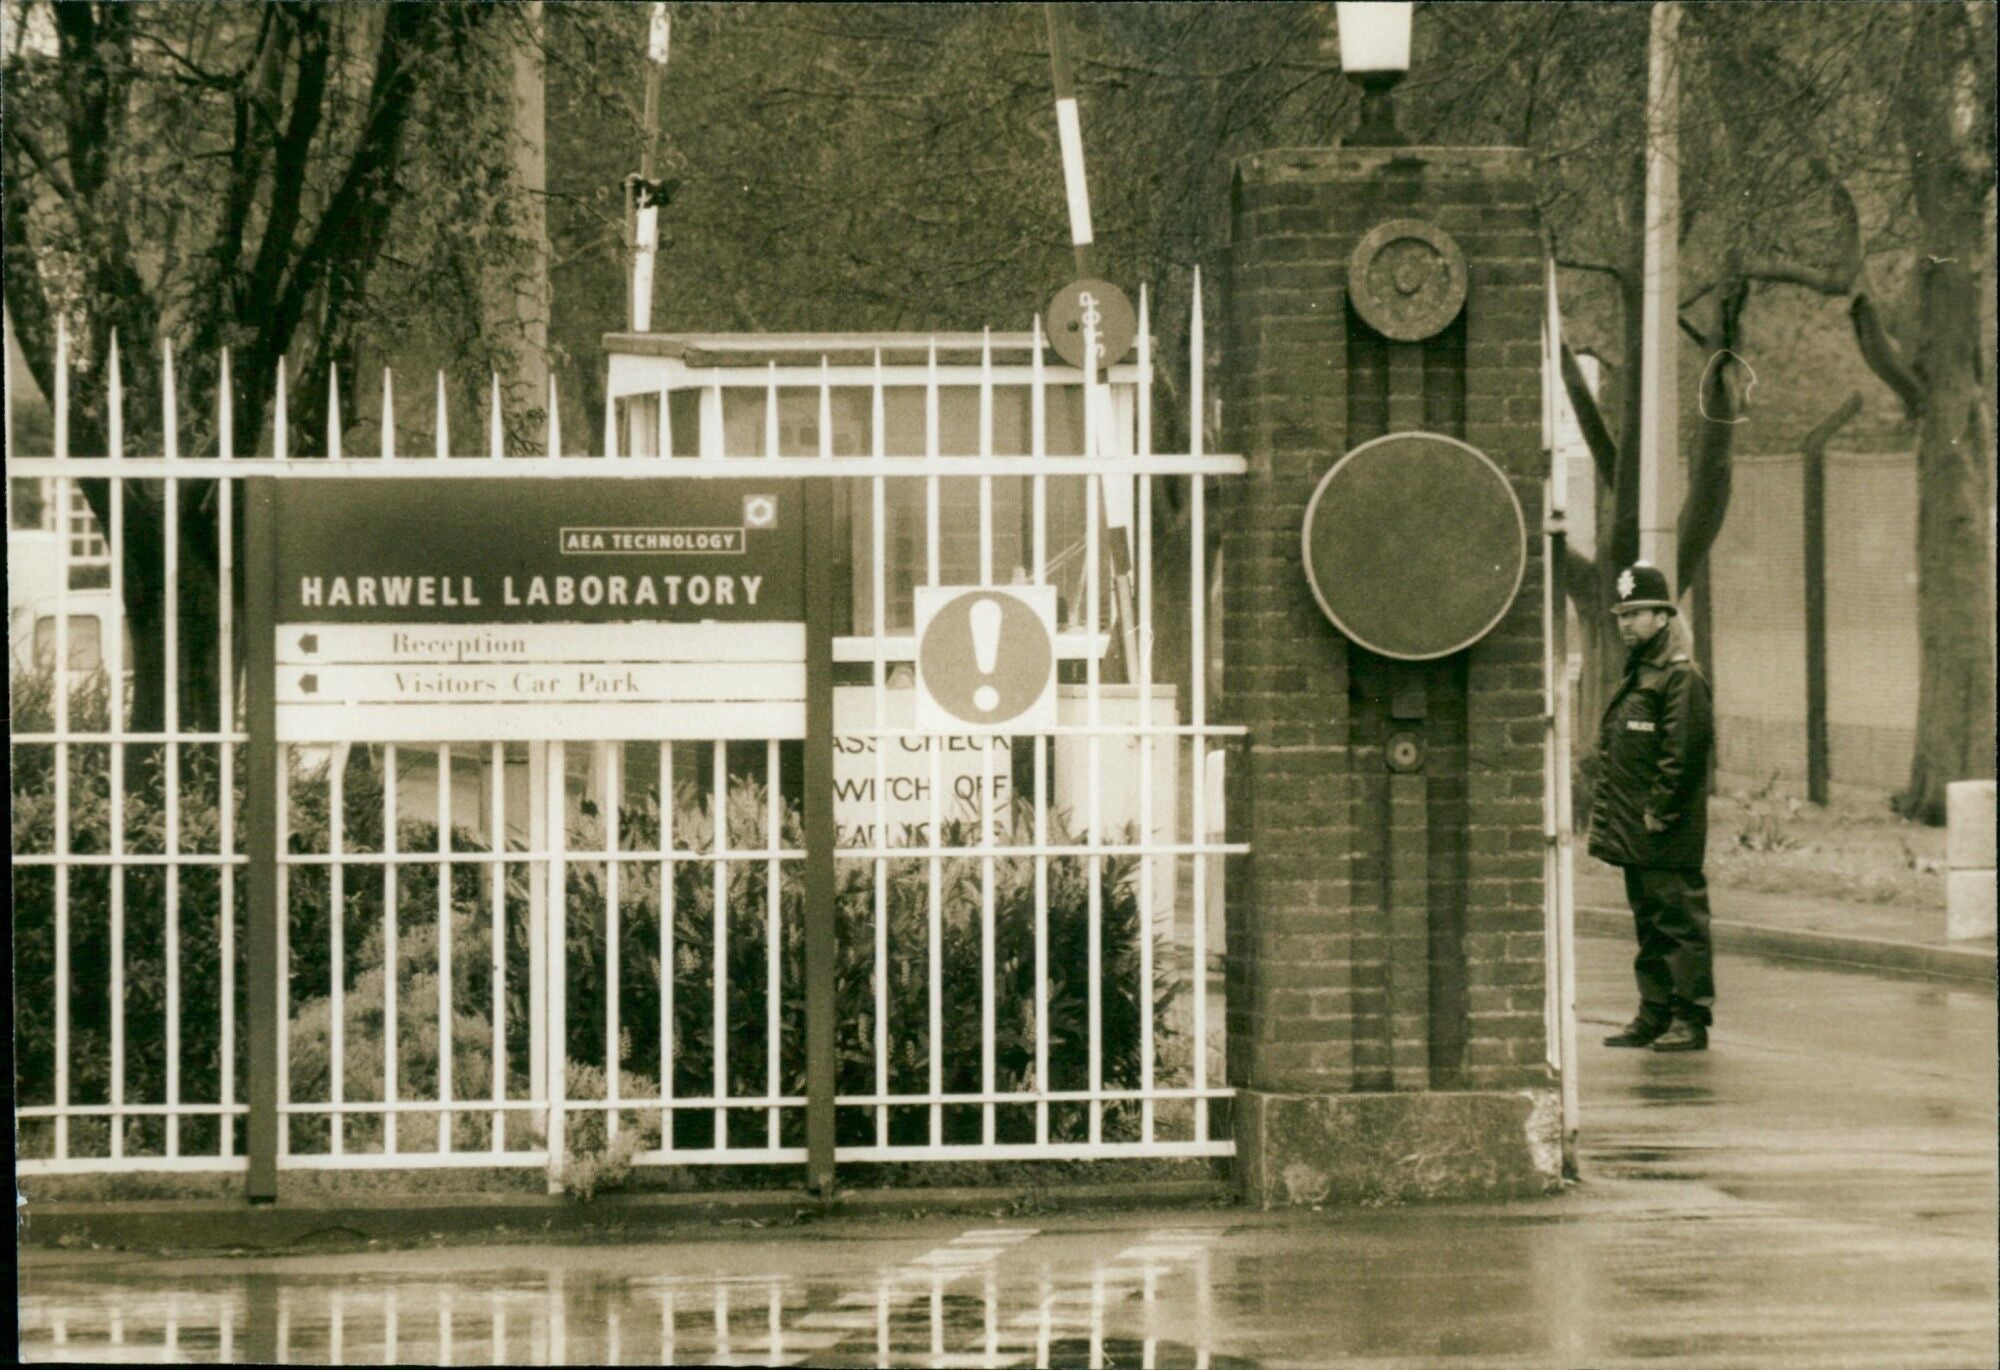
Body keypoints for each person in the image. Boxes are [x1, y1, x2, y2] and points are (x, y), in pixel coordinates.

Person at [1588, 561, 1717, 1052]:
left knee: (1678, 921)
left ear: (1663, 617)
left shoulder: (1679, 676)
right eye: (1622, 615)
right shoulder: (1642, 671)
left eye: (1636, 614)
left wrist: (1660, 809)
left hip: (1664, 826)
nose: (1626, 624)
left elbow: (1684, 753)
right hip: (1637, 826)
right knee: (1649, 921)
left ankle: (1690, 1017)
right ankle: (1655, 1012)